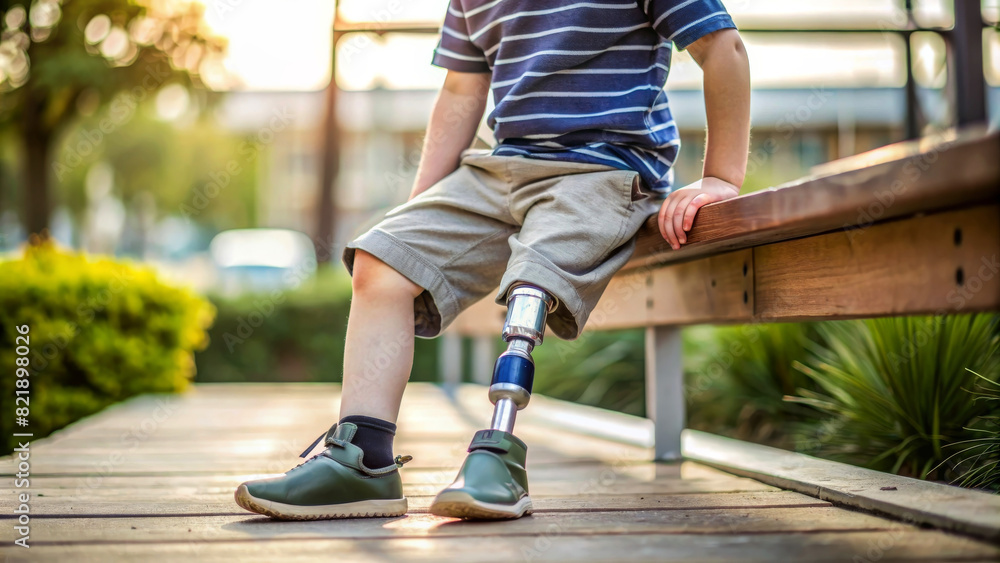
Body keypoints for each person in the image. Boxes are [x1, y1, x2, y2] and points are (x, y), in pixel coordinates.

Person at [235, 0, 750, 521]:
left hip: (603, 168)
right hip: (500, 169)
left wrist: (720, 178)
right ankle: (362, 463)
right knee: (382, 259)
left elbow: (721, 46)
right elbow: (462, 89)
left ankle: (498, 454)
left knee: (532, 281)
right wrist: (421, 213)